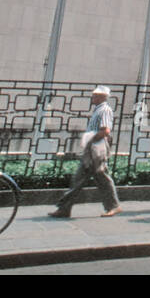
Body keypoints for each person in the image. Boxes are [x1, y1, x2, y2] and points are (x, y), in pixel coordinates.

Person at [49, 85, 121, 218]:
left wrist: (90, 138)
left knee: (85, 178)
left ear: (102, 97)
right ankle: (65, 208)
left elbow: (105, 130)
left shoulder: (105, 110)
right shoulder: (98, 110)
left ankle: (65, 208)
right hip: (93, 147)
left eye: (95, 95)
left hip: (96, 148)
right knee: (96, 177)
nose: (92, 97)